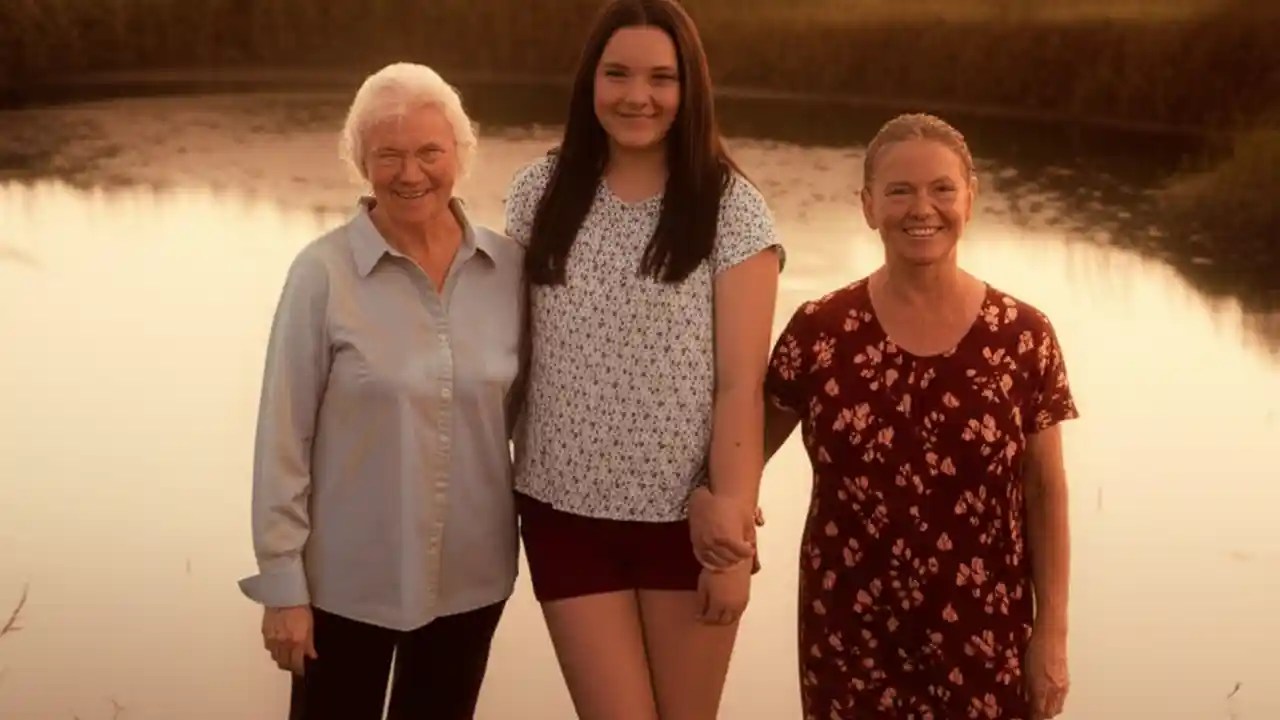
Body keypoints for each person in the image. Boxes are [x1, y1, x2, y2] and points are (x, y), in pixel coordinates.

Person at [695, 112, 1076, 719]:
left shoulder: (1023, 336)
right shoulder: (821, 331)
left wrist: (1050, 634)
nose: (921, 208)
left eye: (942, 189)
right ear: (868, 205)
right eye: (899, 191)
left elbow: (1045, 491)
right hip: (848, 636)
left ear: (970, 199)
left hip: (986, 634)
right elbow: (742, 453)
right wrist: (720, 514)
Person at [501, 0, 784, 717]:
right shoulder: (539, 193)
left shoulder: (732, 209)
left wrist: (732, 534)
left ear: (690, 89)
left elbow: (739, 385)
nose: (638, 96)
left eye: (662, 77)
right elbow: (498, 349)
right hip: (560, 510)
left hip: (684, 526)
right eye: (617, 73)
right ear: (589, 82)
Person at [238, 62, 525, 720]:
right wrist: (283, 585)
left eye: (430, 151)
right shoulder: (322, 274)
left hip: (472, 577)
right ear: (360, 161)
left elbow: (526, 418)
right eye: (388, 154)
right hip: (345, 585)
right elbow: (282, 439)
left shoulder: (507, 271)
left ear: (462, 153)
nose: (411, 172)